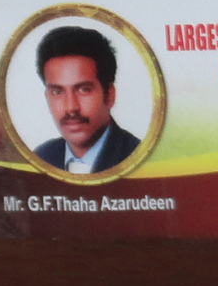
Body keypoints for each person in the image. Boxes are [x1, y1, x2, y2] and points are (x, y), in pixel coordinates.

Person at [30, 24, 142, 174]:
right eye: (57, 92)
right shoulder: (42, 157)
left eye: (83, 90)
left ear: (109, 95)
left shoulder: (140, 158)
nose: (71, 108)